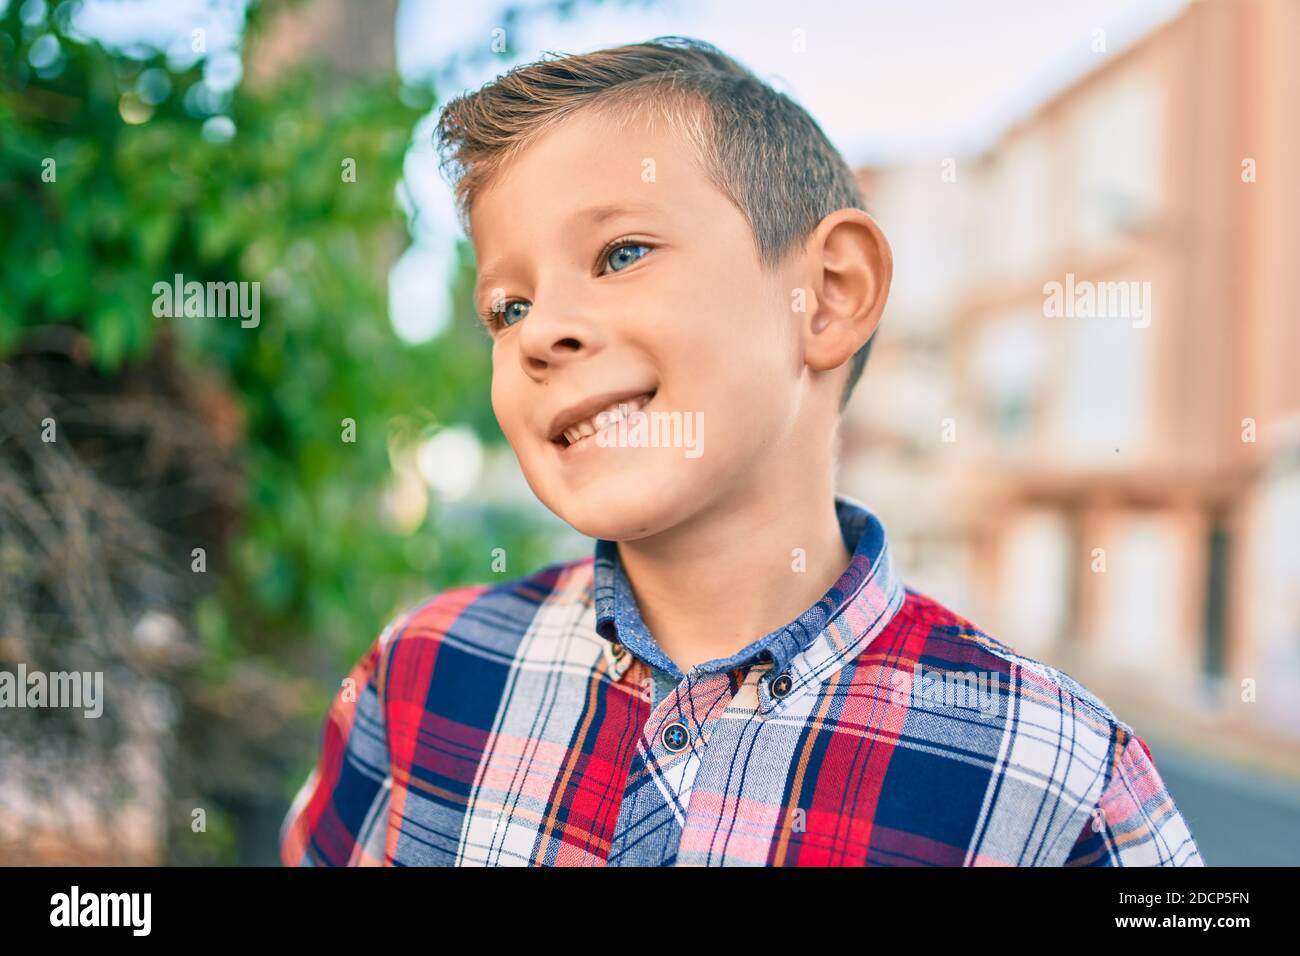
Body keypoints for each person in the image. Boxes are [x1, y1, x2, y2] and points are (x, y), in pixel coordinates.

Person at [280, 36, 1203, 867]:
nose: (539, 332)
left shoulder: (1062, 781)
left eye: (621, 253)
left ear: (830, 294)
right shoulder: (422, 673)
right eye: (506, 307)